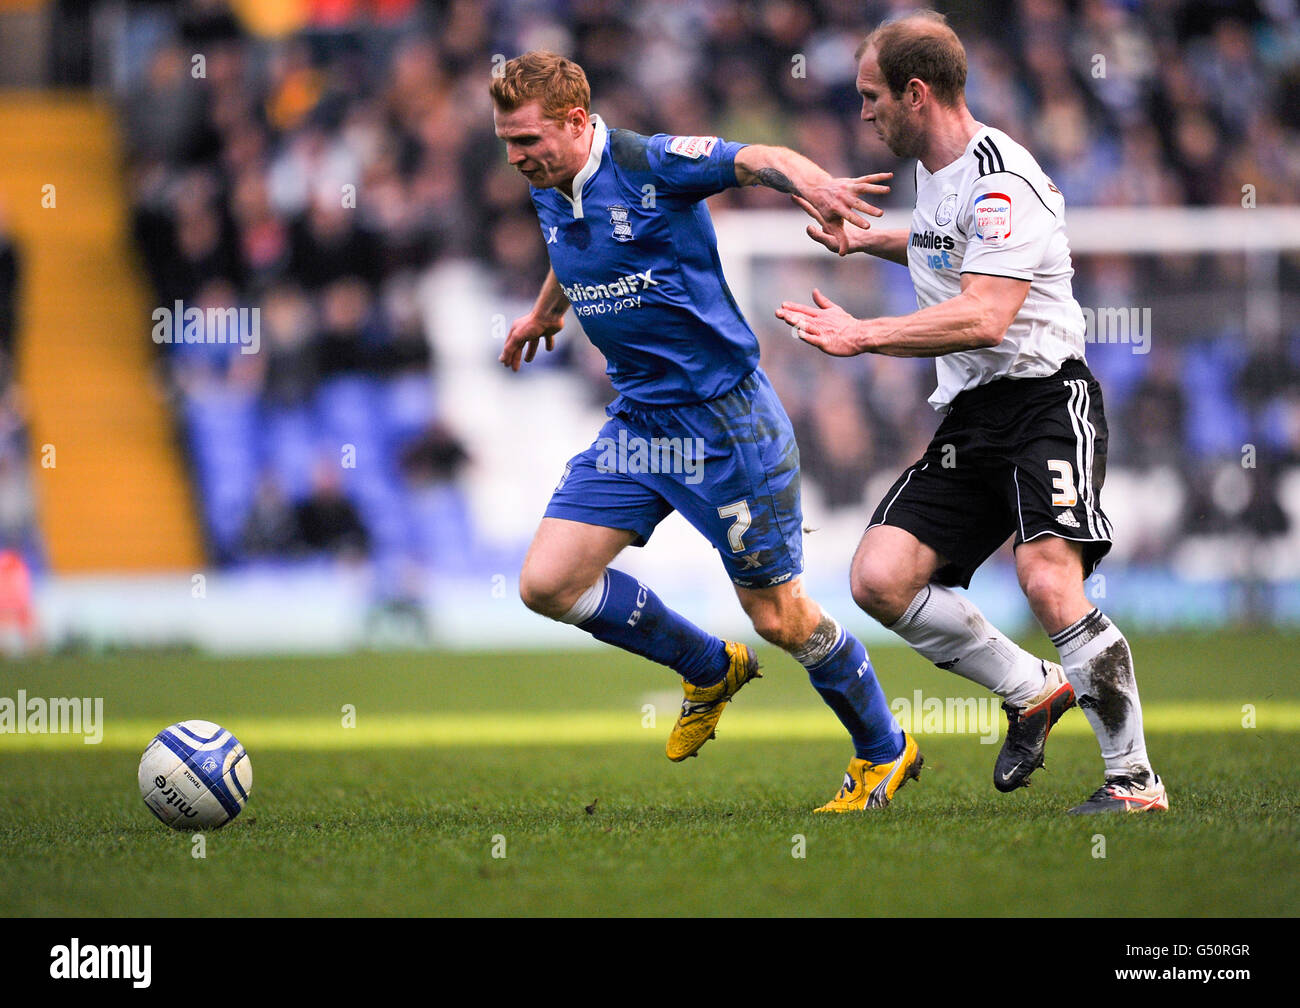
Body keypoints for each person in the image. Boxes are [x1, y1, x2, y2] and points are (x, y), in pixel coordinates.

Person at [491, 50, 921, 811]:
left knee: (780, 616)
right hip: (640, 423)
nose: (515, 157)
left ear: (575, 121)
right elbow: (573, 247)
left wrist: (813, 182)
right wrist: (546, 313)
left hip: (726, 424)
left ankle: (885, 750)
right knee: (548, 584)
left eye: (526, 141)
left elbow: (755, 158)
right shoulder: (551, 184)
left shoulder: (647, 161)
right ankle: (709, 666)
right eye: (506, 143)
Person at [776, 10, 1167, 814]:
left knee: (1047, 579)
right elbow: (940, 244)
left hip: (1044, 399)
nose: (863, 112)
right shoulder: (941, 174)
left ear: (916, 93)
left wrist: (863, 335)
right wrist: (867, 243)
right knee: (879, 579)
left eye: (872, 96)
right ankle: (1032, 689)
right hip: (973, 412)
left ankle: (1134, 781)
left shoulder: (1001, 179)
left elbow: (987, 315)